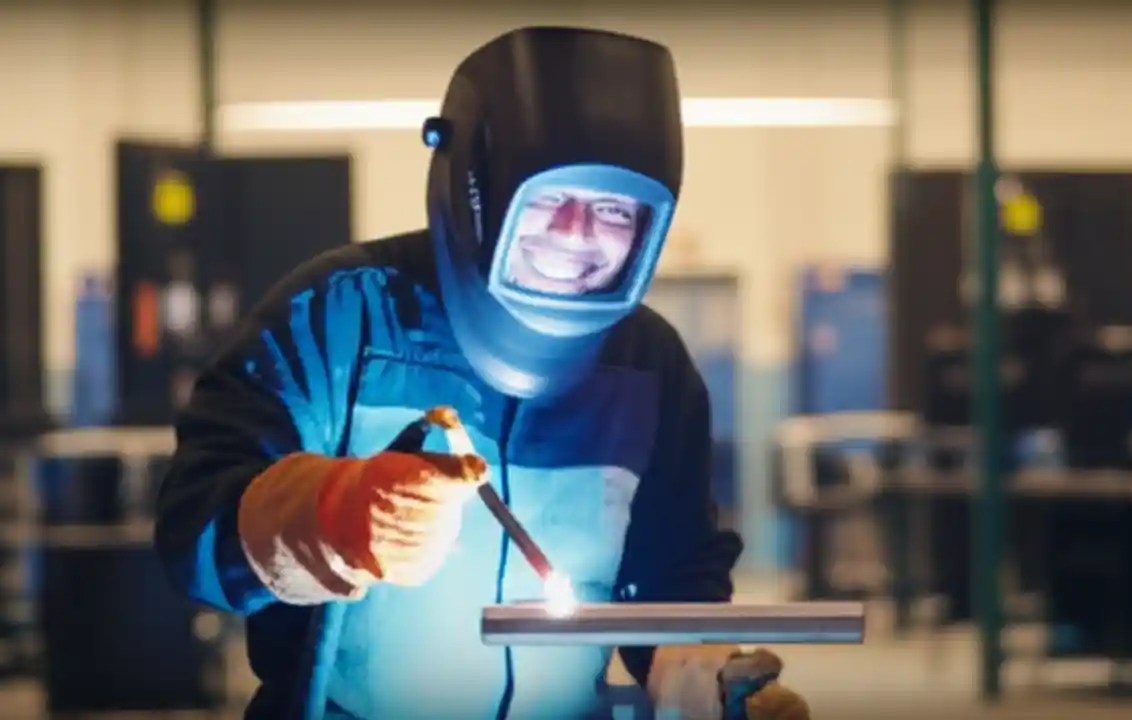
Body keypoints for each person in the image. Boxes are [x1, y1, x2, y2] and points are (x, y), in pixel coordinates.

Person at [154, 26, 809, 720]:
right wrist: (334, 513)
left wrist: (697, 671)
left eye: (615, 211)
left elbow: (674, 578)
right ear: (476, 187)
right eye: (550, 199)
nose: (577, 234)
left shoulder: (650, 368)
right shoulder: (342, 321)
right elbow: (194, 533)